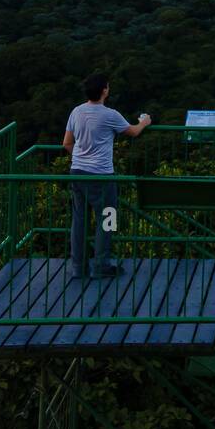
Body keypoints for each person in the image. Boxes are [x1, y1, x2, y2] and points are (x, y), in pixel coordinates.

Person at [62, 73, 151, 278]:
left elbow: (66, 143)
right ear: (104, 91)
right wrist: (144, 122)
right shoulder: (110, 114)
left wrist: (82, 158)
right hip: (102, 177)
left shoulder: (76, 112)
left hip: (77, 174)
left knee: (79, 220)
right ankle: (102, 265)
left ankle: (78, 267)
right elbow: (134, 132)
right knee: (107, 219)